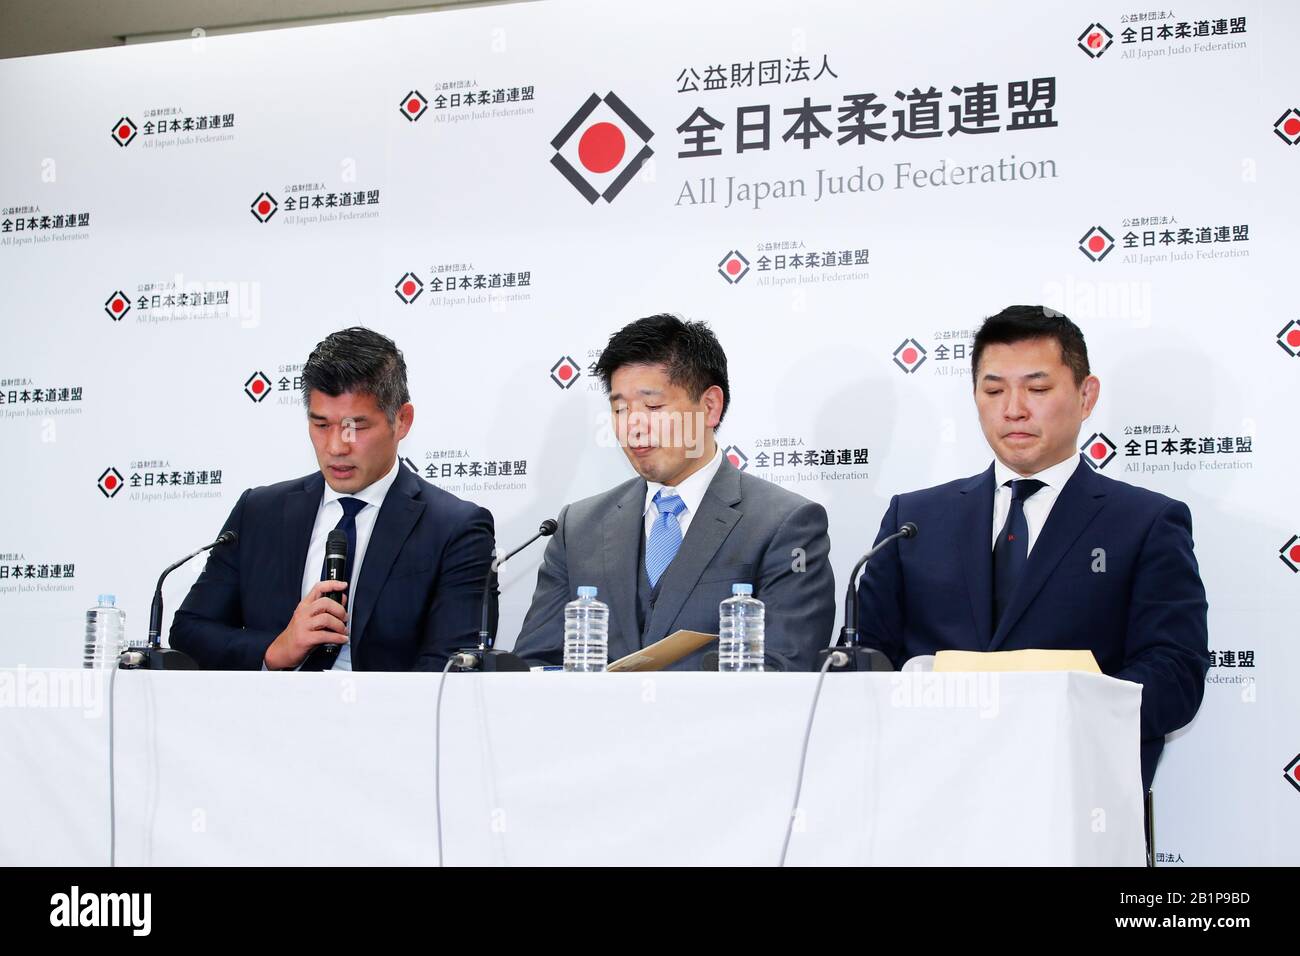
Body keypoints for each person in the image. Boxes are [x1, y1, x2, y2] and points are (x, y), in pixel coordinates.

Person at [856, 305, 1209, 789]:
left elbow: (1174, 676)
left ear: (1087, 397)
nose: (1013, 408)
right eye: (994, 389)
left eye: (1038, 389)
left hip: (1076, 792)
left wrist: (1046, 709)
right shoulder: (913, 519)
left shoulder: (1146, 522)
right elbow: (867, 657)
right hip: (927, 790)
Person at [514, 314, 835, 670]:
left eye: (653, 407)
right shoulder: (576, 528)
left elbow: (787, 668)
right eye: (620, 409)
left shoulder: (784, 524)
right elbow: (534, 666)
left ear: (710, 406)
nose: (633, 426)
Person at [171, 326, 495, 671]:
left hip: (388, 721)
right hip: (267, 717)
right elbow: (190, 631)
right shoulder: (259, 512)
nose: (337, 446)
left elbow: (455, 664)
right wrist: (274, 650)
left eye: (357, 426)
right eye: (321, 425)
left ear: (402, 421)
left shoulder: (455, 528)